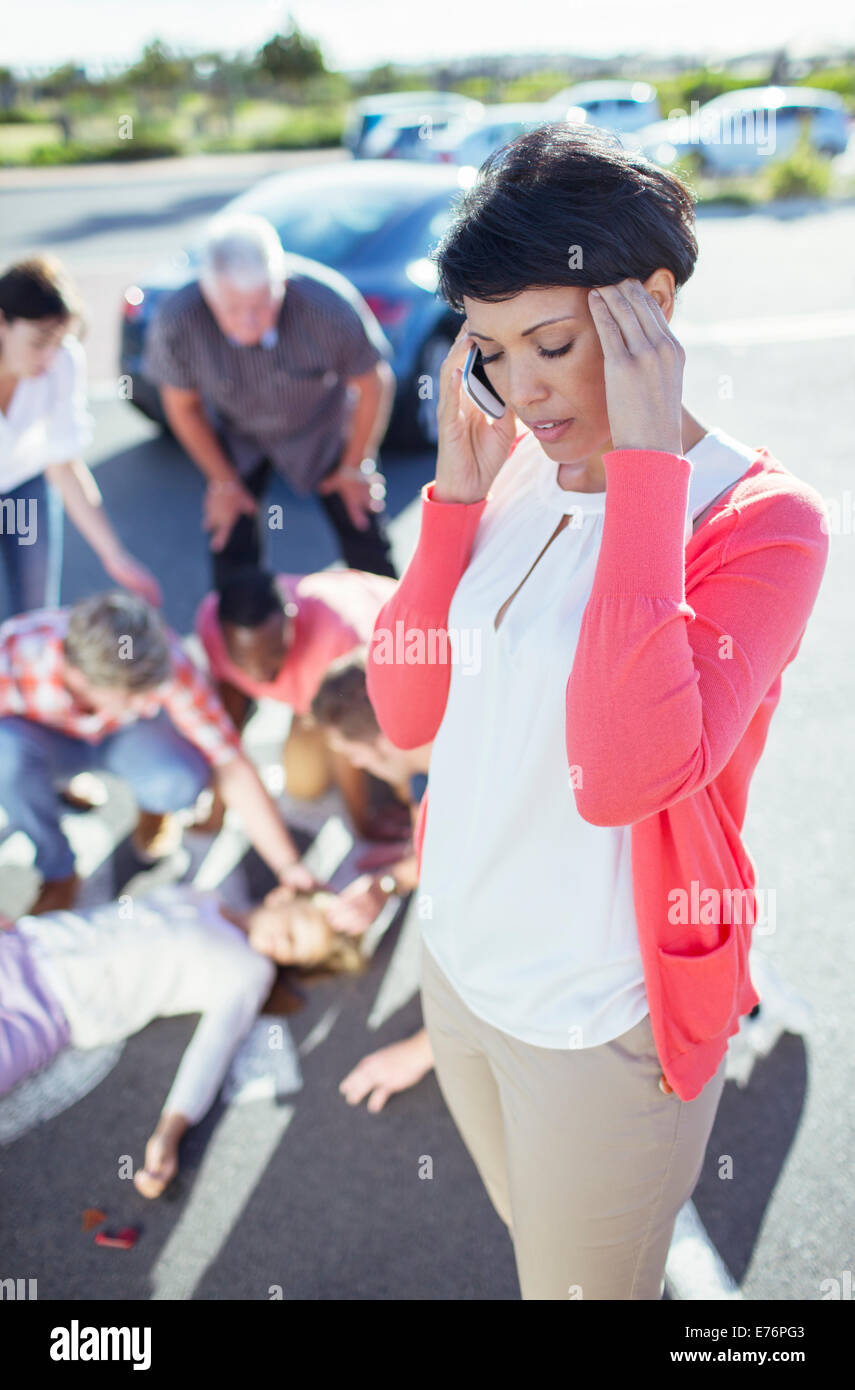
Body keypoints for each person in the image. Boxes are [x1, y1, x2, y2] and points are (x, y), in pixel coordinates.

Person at [364, 125, 830, 1300]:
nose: (518, 387)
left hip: (596, 1015)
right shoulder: (511, 460)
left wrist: (640, 475)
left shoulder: (764, 524)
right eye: (488, 346)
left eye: (553, 343)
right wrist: (455, 509)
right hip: (459, 969)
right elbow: (406, 707)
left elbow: (625, 774)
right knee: (551, 1244)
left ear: (650, 303)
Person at [0, 881, 364, 1199]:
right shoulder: (204, 895)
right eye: (296, 927)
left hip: (51, 1010)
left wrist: (169, 1132)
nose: (285, 943)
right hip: (28, 943)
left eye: (297, 953)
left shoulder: (251, 970)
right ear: (282, 896)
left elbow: (212, 1050)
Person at [0, 591, 319, 915]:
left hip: (121, 736)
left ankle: (153, 805)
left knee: (179, 779)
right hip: (44, 741)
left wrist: (289, 866)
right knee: (5, 759)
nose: (148, 703)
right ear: (81, 678)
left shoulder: (158, 661)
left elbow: (230, 762)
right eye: (135, 697)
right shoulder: (13, 656)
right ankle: (59, 871)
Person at [142, 212, 398, 588]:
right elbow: (182, 407)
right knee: (228, 536)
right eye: (232, 309)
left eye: (261, 305)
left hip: (322, 427)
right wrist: (222, 481)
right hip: (237, 432)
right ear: (207, 293)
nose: (249, 322)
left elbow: (374, 381)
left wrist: (354, 464)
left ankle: (393, 633)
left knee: (363, 525)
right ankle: (246, 633)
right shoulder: (178, 321)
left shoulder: (326, 305)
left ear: (281, 283)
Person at [307, 645, 435, 1115]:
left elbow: (511, 959)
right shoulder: (435, 756)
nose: (356, 766)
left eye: (352, 753)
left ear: (383, 741)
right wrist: (386, 883)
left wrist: (426, 1048)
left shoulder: (450, 810)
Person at [194, 566, 407, 839]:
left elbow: (348, 731)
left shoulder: (340, 636)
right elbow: (226, 715)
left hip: (385, 678)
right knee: (304, 783)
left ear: (290, 620)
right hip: (321, 696)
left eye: (273, 654)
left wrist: (363, 824)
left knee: (400, 764)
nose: (260, 675)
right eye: (243, 661)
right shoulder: (210, 623)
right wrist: (218, 805)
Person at [0, 256, 160, 617]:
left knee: (34, 617)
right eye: (40, 341)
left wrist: (114, 555)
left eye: (60, 341)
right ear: (2, 321)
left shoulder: (62, 363)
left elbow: (63, 464)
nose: (51, 357)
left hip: (23, 487)